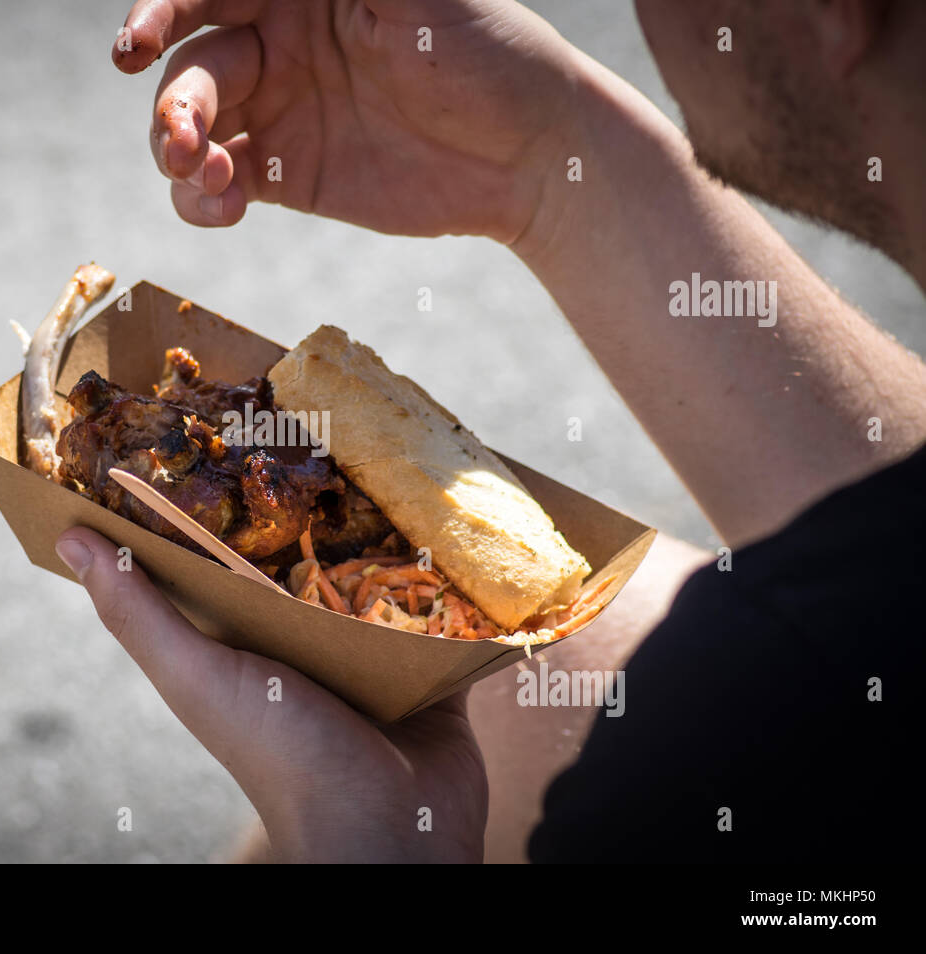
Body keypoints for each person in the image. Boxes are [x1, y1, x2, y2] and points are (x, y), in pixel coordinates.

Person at [54, 0, 926, 862]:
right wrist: (546, 150)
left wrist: (372, 843)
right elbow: (880, 534)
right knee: (537, 658)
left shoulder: (687, 767)